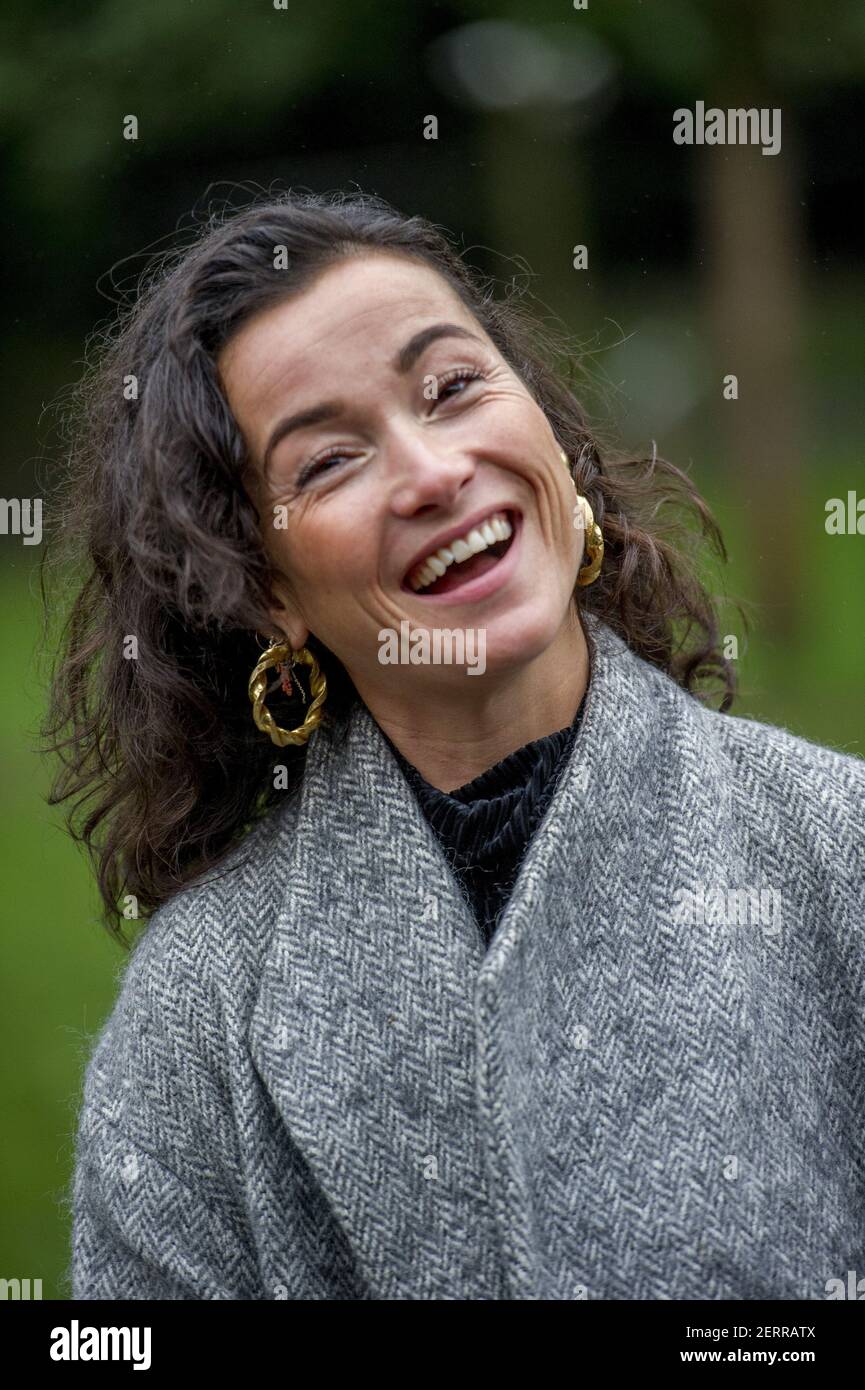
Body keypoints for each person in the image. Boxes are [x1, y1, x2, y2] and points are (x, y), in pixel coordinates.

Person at [44, 190, 865, 1300]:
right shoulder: (197, 1017)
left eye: (452, 388)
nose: (432, 473)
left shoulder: (835, 851)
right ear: (267, 593)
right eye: (330, 461)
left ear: (550, 434)